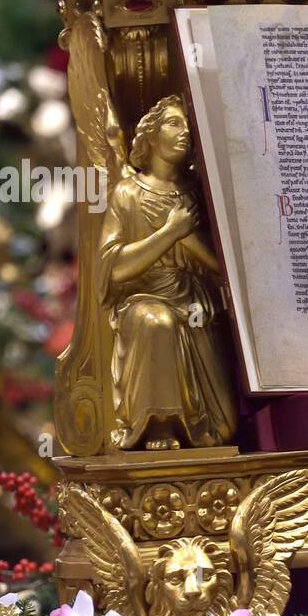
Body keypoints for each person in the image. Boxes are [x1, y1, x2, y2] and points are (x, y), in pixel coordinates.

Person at [98, 94, 236, 450]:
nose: (184, 132)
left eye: (188, 125)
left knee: (222, 430)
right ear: (150, 135)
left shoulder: (198, 193)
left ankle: (195, 421)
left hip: (196, 303)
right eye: (173, 123)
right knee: (154, 321)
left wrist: (188, 239)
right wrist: (170, 232)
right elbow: (115, 268)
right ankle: (158, 424)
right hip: (144, 299)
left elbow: (225, 268)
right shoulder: (127, 193)